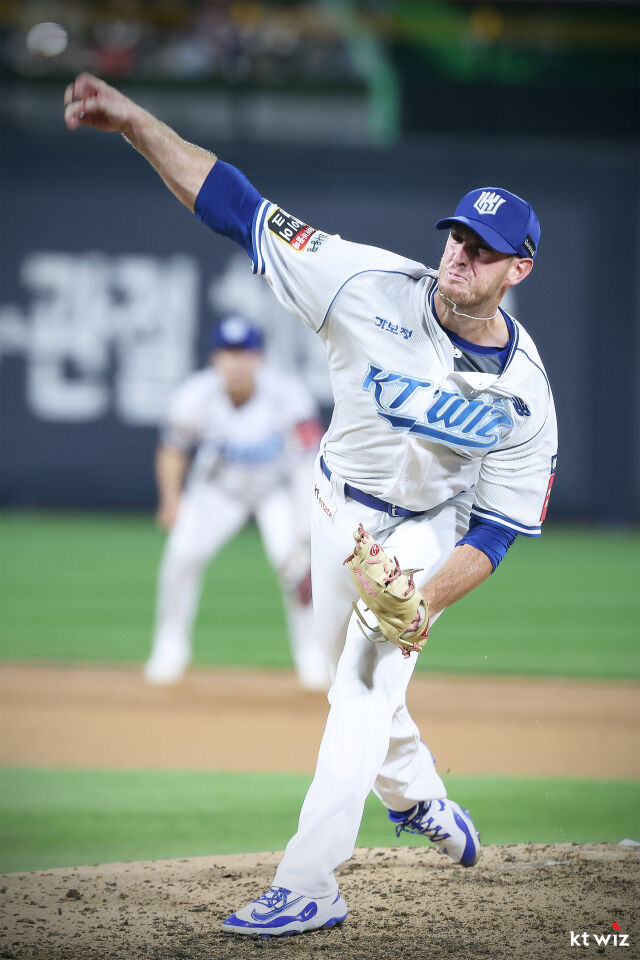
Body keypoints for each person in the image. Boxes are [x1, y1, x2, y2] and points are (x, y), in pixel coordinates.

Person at [65, 74, 558, 938]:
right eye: (454, 239)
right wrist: (136, 123)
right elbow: (236, 205)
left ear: (518, 269)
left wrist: (422, 597)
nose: (457, 258)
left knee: (362, 688)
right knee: (362, 688)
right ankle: (419, 797)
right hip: (331, 509)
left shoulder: (525, 396)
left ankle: (311, 882)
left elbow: (501, 527)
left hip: (422, 532)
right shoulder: (363, 283)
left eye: (482, 251)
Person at [145, 313, 329, 692]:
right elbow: (172, 450)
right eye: (228, 352)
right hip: (219, 491)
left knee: (299, 568)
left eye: (244, 352)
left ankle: (312, 657)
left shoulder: (287, 395)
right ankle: (169, 650)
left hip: (276, 490)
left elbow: (308, 463)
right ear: (216, 359)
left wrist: (306, 521)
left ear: (259, 357)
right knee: (180, 556)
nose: (236, 361)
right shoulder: (196, 394)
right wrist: (171, 499)